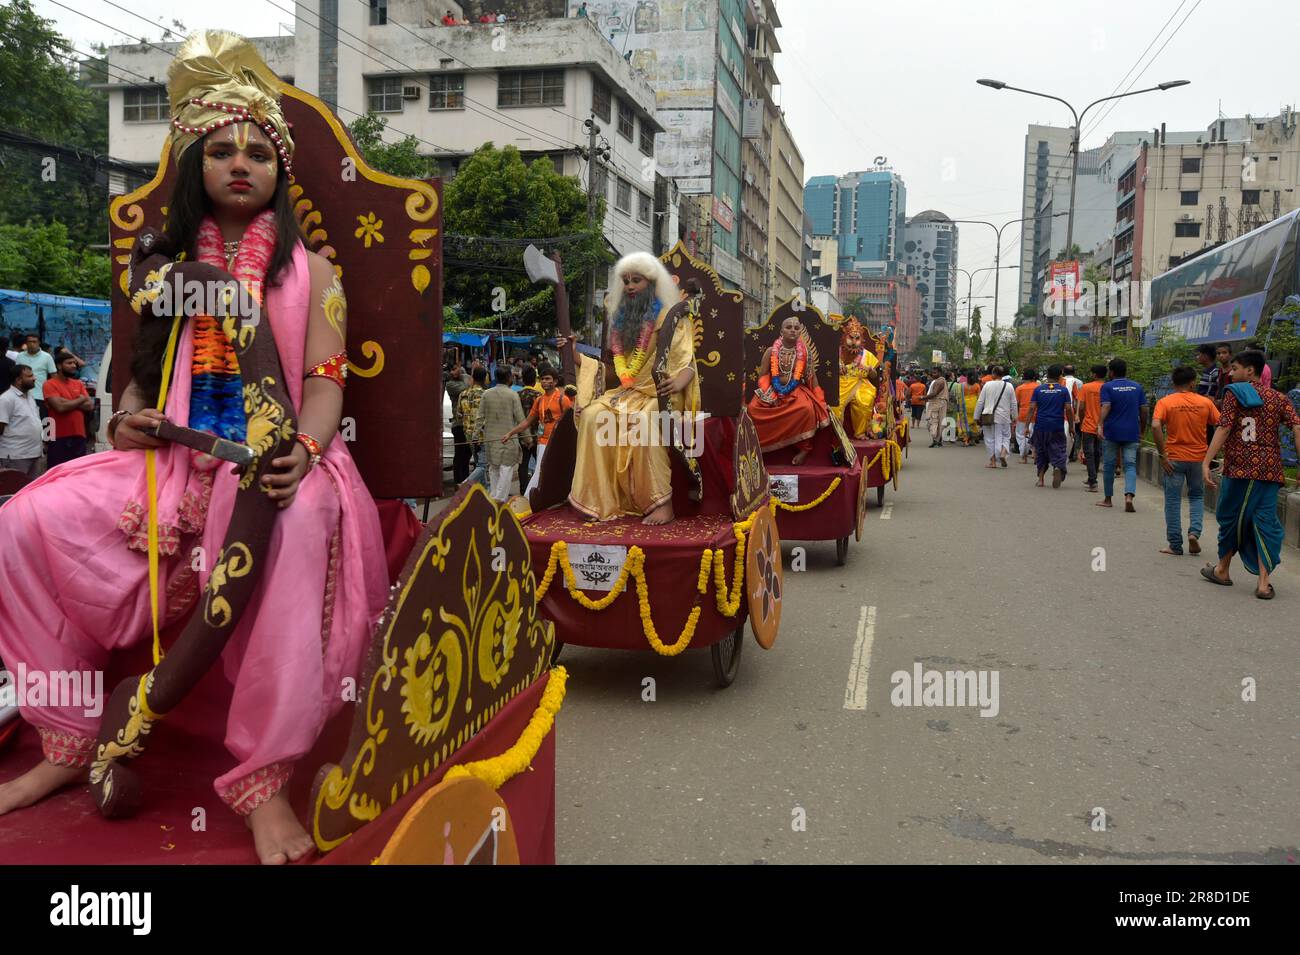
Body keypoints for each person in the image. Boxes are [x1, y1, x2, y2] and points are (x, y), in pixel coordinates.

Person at [0, 31, 389, 864]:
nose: (240, 163)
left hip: (285, 460)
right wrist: (127, 420)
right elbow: (141, 379)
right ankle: (68, 742)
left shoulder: (315, 274)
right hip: (172, 462)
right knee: (24, 519)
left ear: (281, 170)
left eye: (257, 151)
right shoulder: (164, 267)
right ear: (196, 165)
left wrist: (306, 452)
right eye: (221, 150)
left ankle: (264, 781)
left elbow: (325, 386)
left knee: (294, 522)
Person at [569, 251, 698, 524]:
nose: (629, 286)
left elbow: (687, 363)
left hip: (662, 392)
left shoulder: (670, 316)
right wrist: (576, 357)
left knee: (644, 421)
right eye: (626, 281)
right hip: (627, 392)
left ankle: (661, 503)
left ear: (650, 284)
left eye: (636, 280)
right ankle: (598, 500)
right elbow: (614, 369)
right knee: (592, 416)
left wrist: (678, 382)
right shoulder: (621, 322)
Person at [1201, 349, 1300, 598]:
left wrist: (1207, 461)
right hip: (1269, 470)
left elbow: (1224, 429)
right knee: (1265, 522)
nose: (1231, 373)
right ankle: (1263, 584)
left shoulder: (1235, 394)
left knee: (1231, 517)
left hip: (1240, 469)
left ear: (1250, 371)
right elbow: (1297, 426)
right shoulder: (1279, 398)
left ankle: (1223, 569)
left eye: (1235, 368)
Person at [1151, 365, 1220, 556]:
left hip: (1173, 458)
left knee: (1172, 501)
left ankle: (1174, 544)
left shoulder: (1166, 402)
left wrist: (1162, 453)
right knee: (1197, 496)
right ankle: (1194, 533)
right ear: (1193, 383)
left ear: (1173, 383)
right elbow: (1222, 425)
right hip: (1199, 458)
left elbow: (1156, 425)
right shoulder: (1205, 402)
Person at [748, 315, 829, 464]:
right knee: (753, 409)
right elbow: (763, 375)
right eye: (788, 327)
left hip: (795, 391)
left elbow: (812, 378)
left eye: (796, 328)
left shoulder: (805, 353)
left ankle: (805, 449)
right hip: (772, 390)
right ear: (781, 331)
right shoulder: (771, 351)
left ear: (800, 332)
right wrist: (769, 394)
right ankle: (757, 450)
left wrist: (820, 400)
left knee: (807, 410)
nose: (792, 330)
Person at [506, 364, 571, 496]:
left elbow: (570, 422)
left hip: (557, 443)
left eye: (548, 379)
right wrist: (511, 433)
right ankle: (529, 498)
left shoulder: (563, 399)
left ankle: (551, 497)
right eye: (542, 379)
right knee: (540, 471)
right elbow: (527, 421)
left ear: (555, 381)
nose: (544, 382)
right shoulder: (539, 400)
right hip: (542, 442)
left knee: (555, 471)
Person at [1097, 357, 1148, 512]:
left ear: (1111, 372)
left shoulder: (1107, 387)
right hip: (1131, 431)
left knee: (1109, 466)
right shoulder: (1137, 387)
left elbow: (1106, 406)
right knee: (1130, 465)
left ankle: (1108, 499)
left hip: (1111, 431)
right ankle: (1129, 496)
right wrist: (1142, 429)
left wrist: (1099, 425)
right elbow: (1144, 409)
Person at [477, 365, 524, 501]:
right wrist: (528, 439)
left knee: (494, 469)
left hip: (490, 439)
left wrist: (475, 436)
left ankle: (494, 498)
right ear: (509, 378)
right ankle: (500, 501)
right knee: (506, 470)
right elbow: (521, 419)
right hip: (508, 439)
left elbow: (480, 418)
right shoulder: (513, 394)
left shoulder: (486, 394)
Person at [41, 352, 93, 469]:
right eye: (69, 363)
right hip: (58, 435)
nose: (74, 365)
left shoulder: (78, 384)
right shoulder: (49, 384)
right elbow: (60, 408)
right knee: (57, 471)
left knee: (77, 472)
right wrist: (80, 400)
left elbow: (89, 405)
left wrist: (66, 402)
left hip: (79, 434)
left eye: (74, 363)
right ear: (59, 366)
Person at [830, 317, 879, 439]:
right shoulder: (835, 352)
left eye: (857, 339)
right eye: (851, 338)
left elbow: (874, 376)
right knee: (835, 405)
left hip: (861, 383)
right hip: (840, 383)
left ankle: (860, 432)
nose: (853, 342)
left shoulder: (867, 355)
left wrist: (871, 371)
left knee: (866, 400)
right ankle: (837, 435)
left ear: (861, 340)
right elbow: (827, 370)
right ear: (844, 337)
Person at [1027, 364, 1072, 488]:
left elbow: (1031, 408)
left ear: (1047, 375)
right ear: (1060, 376)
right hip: (1057, 425)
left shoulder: (1038, 389)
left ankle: (1041, 480)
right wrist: (1072, 427)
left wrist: (1026, 426)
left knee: (1041, 452)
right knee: (1058, 449)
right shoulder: (1063, 390)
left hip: (1040, 425)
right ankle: (1057, 466)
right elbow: (1068, 409)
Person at [0, 364, 42, 478]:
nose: (34, 378)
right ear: (18, 380)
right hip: (16, 456)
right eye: (30, 376)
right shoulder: (6, 399)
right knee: (14, 492)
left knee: (31, 492)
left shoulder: (30, 396)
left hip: (34, 453)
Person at [973, 365, 1016, 468]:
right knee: (1006, 436)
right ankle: (1002, 453)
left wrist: (976, 416)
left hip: (989, 415)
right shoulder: (1009, 386)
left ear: (994, 374)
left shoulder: (987, 385)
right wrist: (1015, 416)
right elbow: (1014, 403)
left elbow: (980, 401)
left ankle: (992, 462)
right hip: (1004, 416)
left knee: (989, 438)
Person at [1076, 364, 1107, 491]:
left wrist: (1082, 419)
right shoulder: (1107, 387)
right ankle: (1091, 478)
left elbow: (1081, 407)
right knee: (1097, 452)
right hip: (1103, 425)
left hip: (1088, 424)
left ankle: (1093, 481)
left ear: (1094, 374)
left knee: (1089, 453)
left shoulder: (1086, 387)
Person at [14, 333, 57, 419]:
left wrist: (52, 395)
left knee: (40, 425)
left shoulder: (47, 357)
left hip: (40, 396)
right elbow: (16, 376)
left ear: (39, 343)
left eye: (34, 342)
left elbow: (54, 377)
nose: (32, 344)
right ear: (26, 343)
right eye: (29, 342)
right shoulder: (20, 356)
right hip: (22, 396)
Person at [459, 365, 489, 489]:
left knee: (479, 464)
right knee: (483, 466)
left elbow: (459, 414)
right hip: (482, 435)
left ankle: (485, 492)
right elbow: (485, 417)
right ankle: (465, 484)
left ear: (473, 377)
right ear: (485, 378)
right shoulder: (486, 394)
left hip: (468, 435)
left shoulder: (463, 394)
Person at [445, 360, 470, 485]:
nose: (455, 371)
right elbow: (467, 387)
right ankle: (458, 481)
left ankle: (465, 481)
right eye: (453, 369)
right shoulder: (450, 384)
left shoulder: (464, 377)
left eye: (457, 368)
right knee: (460, 454)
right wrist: (467, 377)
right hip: (458, 423)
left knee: (467, 454)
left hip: (468, 423)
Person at [1014, 368, 1038, 464]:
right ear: (1033, 377)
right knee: (1035, 435)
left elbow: (1017, 403)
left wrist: (1014, 416)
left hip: (1023, 414)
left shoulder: (1019, 388)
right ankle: (1035, 455)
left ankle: (1024, 457)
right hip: (1036, 414)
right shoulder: (1038, 387)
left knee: (1022, 435)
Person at [1061, 364, 1082, 462]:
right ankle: (1068, 456)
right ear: (1074, 372)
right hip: (1071, 412)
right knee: (1071, 433)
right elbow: (1078, 399)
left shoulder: (1057, 381)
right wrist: (1078, 414)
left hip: (1058, 412)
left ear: (1063, 372)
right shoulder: (1078, 382)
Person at [924, 367, 948, 448]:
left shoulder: (939, 381)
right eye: (932, 373)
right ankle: (938, 440)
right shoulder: (941, 381)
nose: (933, 375)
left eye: (935, 373)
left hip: (937, 403)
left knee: (933, 421)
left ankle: (935, 440)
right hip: (940, 403)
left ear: (940, 373)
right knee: (939, 421)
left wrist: (923, 398)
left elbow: (934, 393)